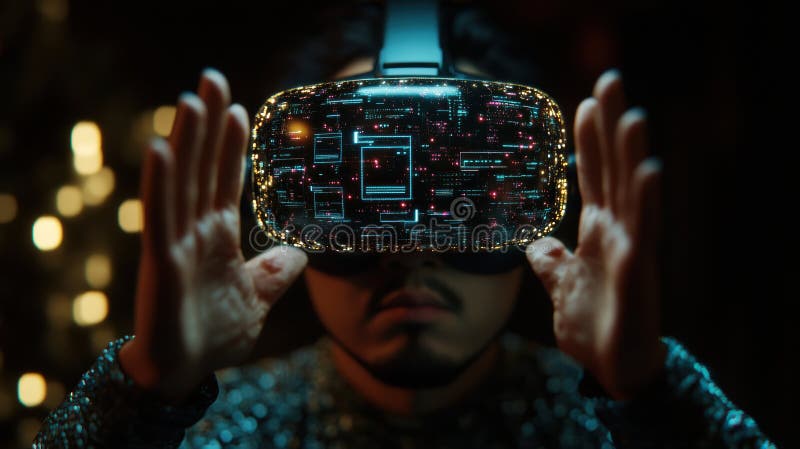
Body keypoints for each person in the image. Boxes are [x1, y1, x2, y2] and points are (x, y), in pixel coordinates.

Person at [33, 54, 773, 449]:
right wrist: (143, 393)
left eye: (466, 181)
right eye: (356, 188)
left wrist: (654, 395)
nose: (411, 247)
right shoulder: (216, 434)